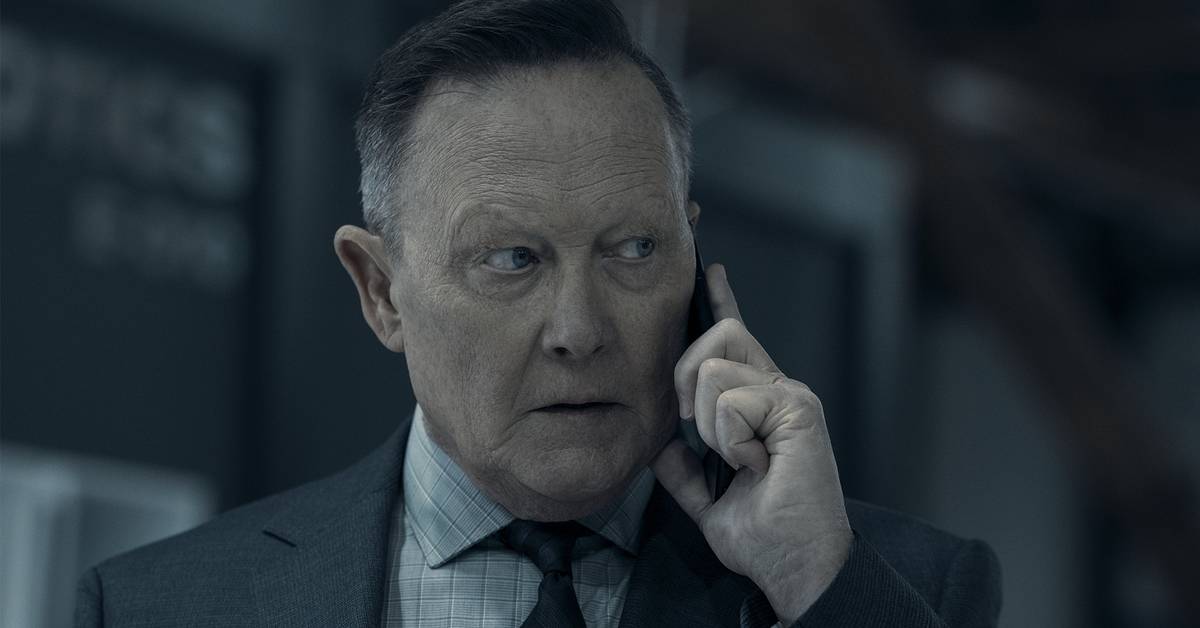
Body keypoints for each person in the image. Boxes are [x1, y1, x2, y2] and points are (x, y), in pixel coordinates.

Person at [75, 1, 1002, 626]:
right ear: (381, 291)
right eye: (512, 260)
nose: (579, 330)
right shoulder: (164, 608)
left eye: (633, 250)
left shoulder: (892, 589)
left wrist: (813, 583)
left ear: (692, 259)